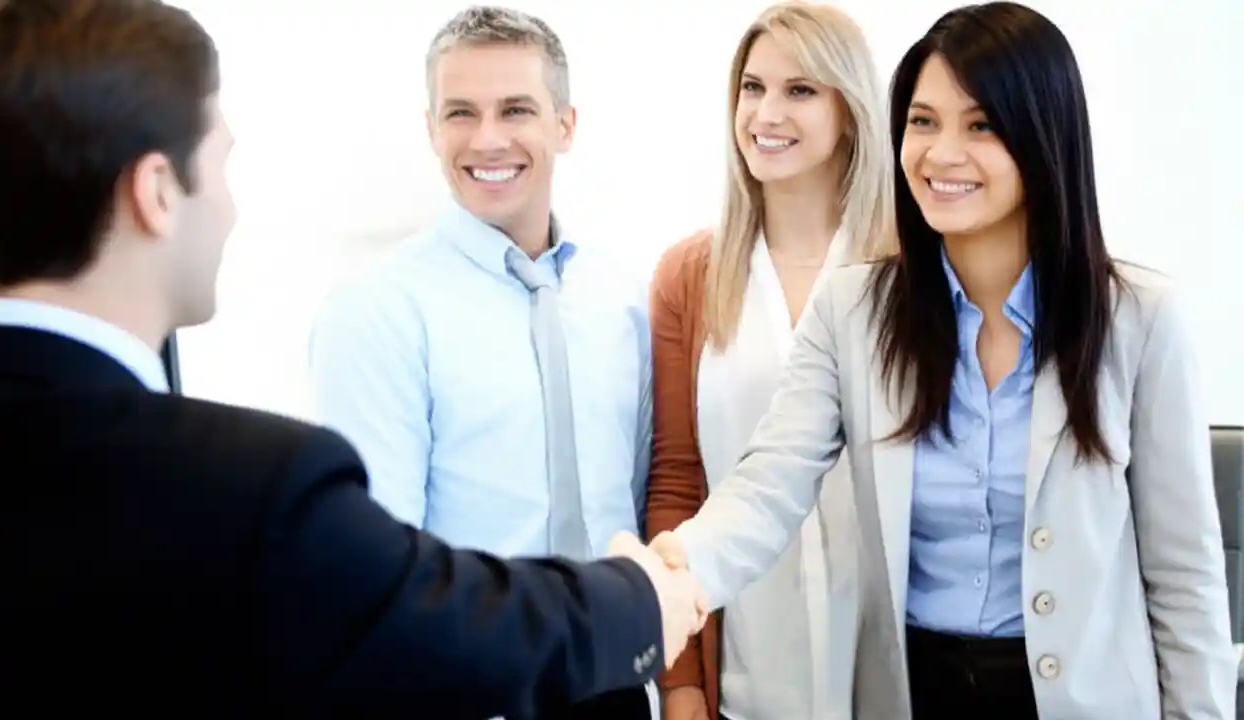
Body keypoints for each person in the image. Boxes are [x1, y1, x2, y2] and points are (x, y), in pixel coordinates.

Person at [0, 1, 706, 716]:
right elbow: (395, 613)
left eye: (515, 109)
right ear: (158, 191)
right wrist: (638, 599)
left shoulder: (623, 295)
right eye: (220, 162)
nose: (229, 205)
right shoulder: (253, 481)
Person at [649, 2, 1237, 718]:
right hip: (912, 691)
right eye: (923, 122)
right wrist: (673, 575)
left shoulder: (1139, 319)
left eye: (980, 125)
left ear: (1044, 136)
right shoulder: (855, 310)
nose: (941, 153)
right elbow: (767, 485)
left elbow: (1185, 577)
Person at [310, 7, 654, 717]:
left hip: (619, 685)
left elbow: (639, 493)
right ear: (431, 127)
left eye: (516, 109)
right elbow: (378, 570)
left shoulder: (620, 298)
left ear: (566, 124)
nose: (487, 138)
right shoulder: (379, 310)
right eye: (460, 112)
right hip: (476, 692)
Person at [644, 3, 891, 719]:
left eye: (800, 90)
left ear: (851, 109)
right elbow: (677, 481)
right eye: (752, 88)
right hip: (748, 666)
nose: (765, 112)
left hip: (888, 664)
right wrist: (683, 682)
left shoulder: (909, 268)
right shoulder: (691, 275)